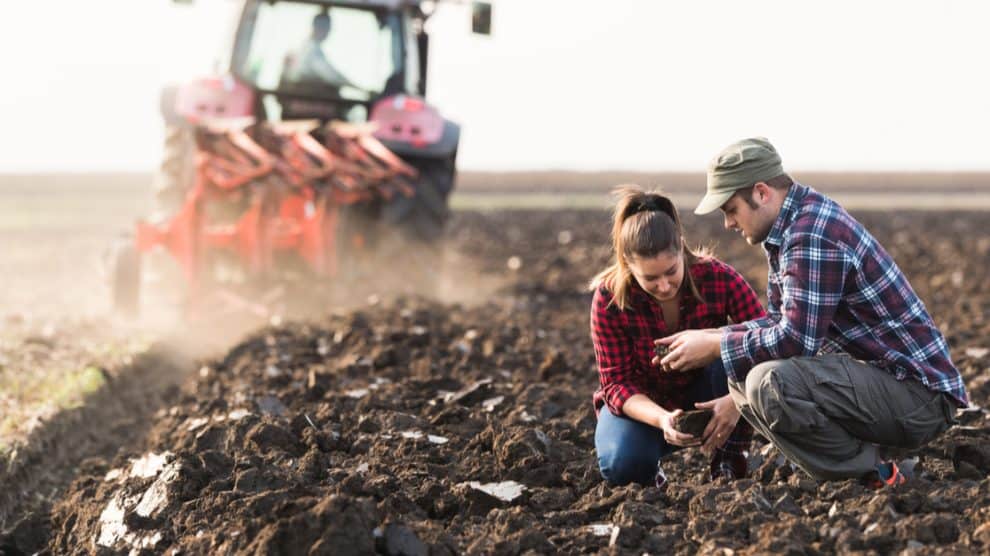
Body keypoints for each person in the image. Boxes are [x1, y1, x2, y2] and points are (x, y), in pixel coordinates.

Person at [661, 137, 968, 487]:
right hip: (886, 385)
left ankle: (879, 473)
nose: (729, 223)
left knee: (767, 383)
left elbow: (794, 341)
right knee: (744, 374)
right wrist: (713, 336)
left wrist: (717, 346)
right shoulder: (789, 227)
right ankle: (878, 463)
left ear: (761, 193)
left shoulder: (811, 234)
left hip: (919, 398)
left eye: (731, 209)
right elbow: (781, 322)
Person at [590, 187, 767, 488]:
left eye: (671, 271)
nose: (664, 286)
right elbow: (616, 383)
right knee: (621, 464)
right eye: (650, 279)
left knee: (733, 349)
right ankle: (650, 478)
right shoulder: (609, 299)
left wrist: (736, 401)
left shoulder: (718, 278)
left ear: (681, 248)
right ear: (627, 265)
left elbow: (768, 338)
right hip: (646, 405)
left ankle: (728, 464)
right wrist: (662, 419)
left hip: (711, 392)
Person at [282, 12, 358, 90]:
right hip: (306, 94)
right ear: (317, 27)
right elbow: (330, 75)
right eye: (326, 27)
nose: (328, 32)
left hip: (299, 92)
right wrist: (355, 87)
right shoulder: (312, 49)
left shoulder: (301, 46)